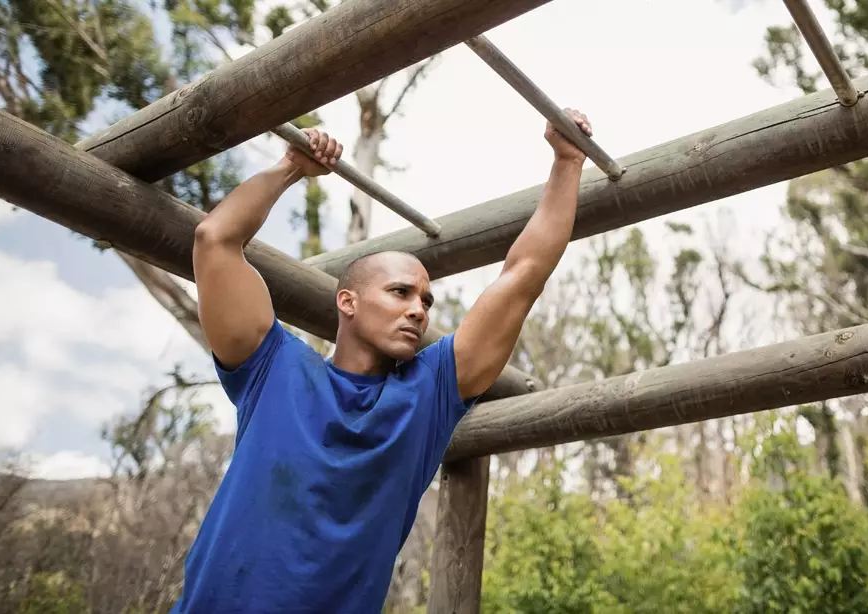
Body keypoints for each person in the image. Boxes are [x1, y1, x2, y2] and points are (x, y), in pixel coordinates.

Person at [171, 108, 594, 614]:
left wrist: (567, 163)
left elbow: (523, 274)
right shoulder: (273, 369)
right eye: (400, 292)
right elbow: (214, 239)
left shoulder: (428, 394)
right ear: (347, 302)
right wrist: (291, 167)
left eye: (426, 301)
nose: (419, 308)